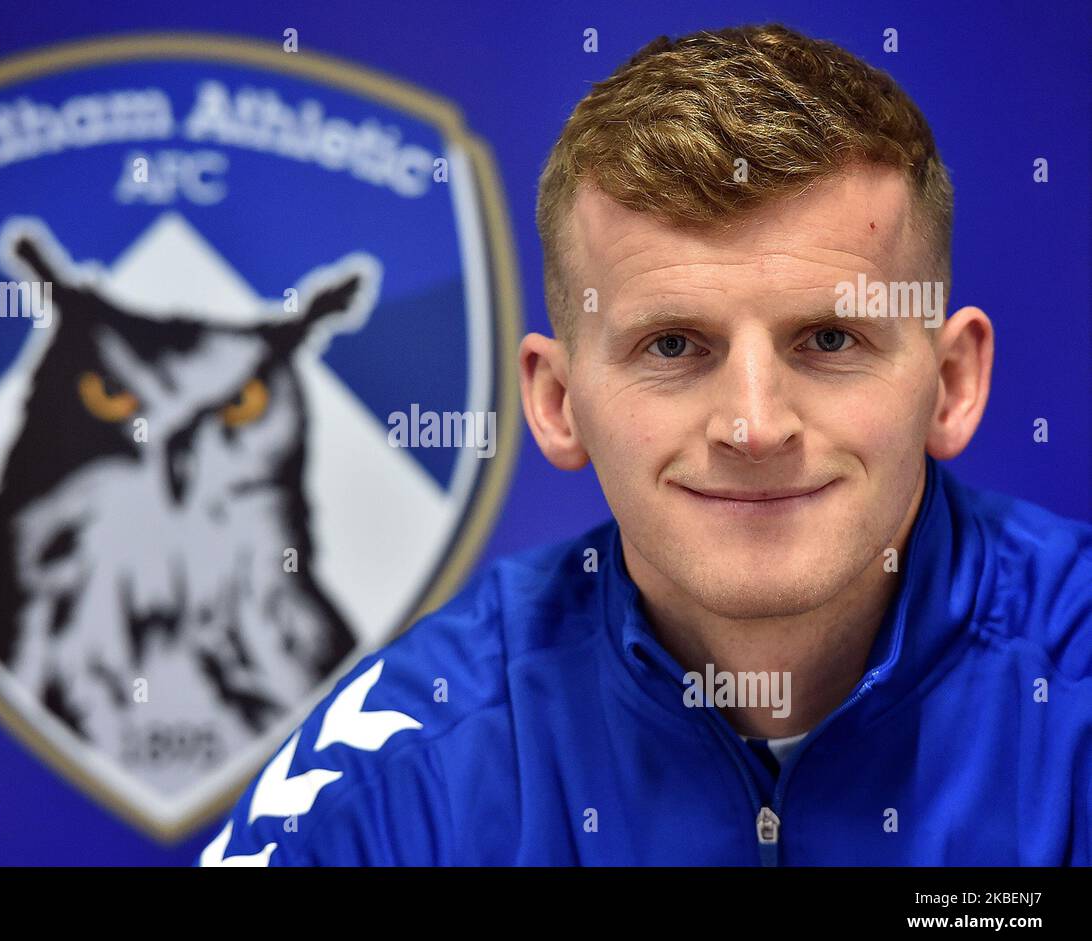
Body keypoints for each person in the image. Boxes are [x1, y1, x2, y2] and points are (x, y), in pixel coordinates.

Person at [198, 23, 1092, 866]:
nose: (753, 426)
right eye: (673, 346)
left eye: (828, 341)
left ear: (954, 383)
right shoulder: (402, 770)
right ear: (557, 402)